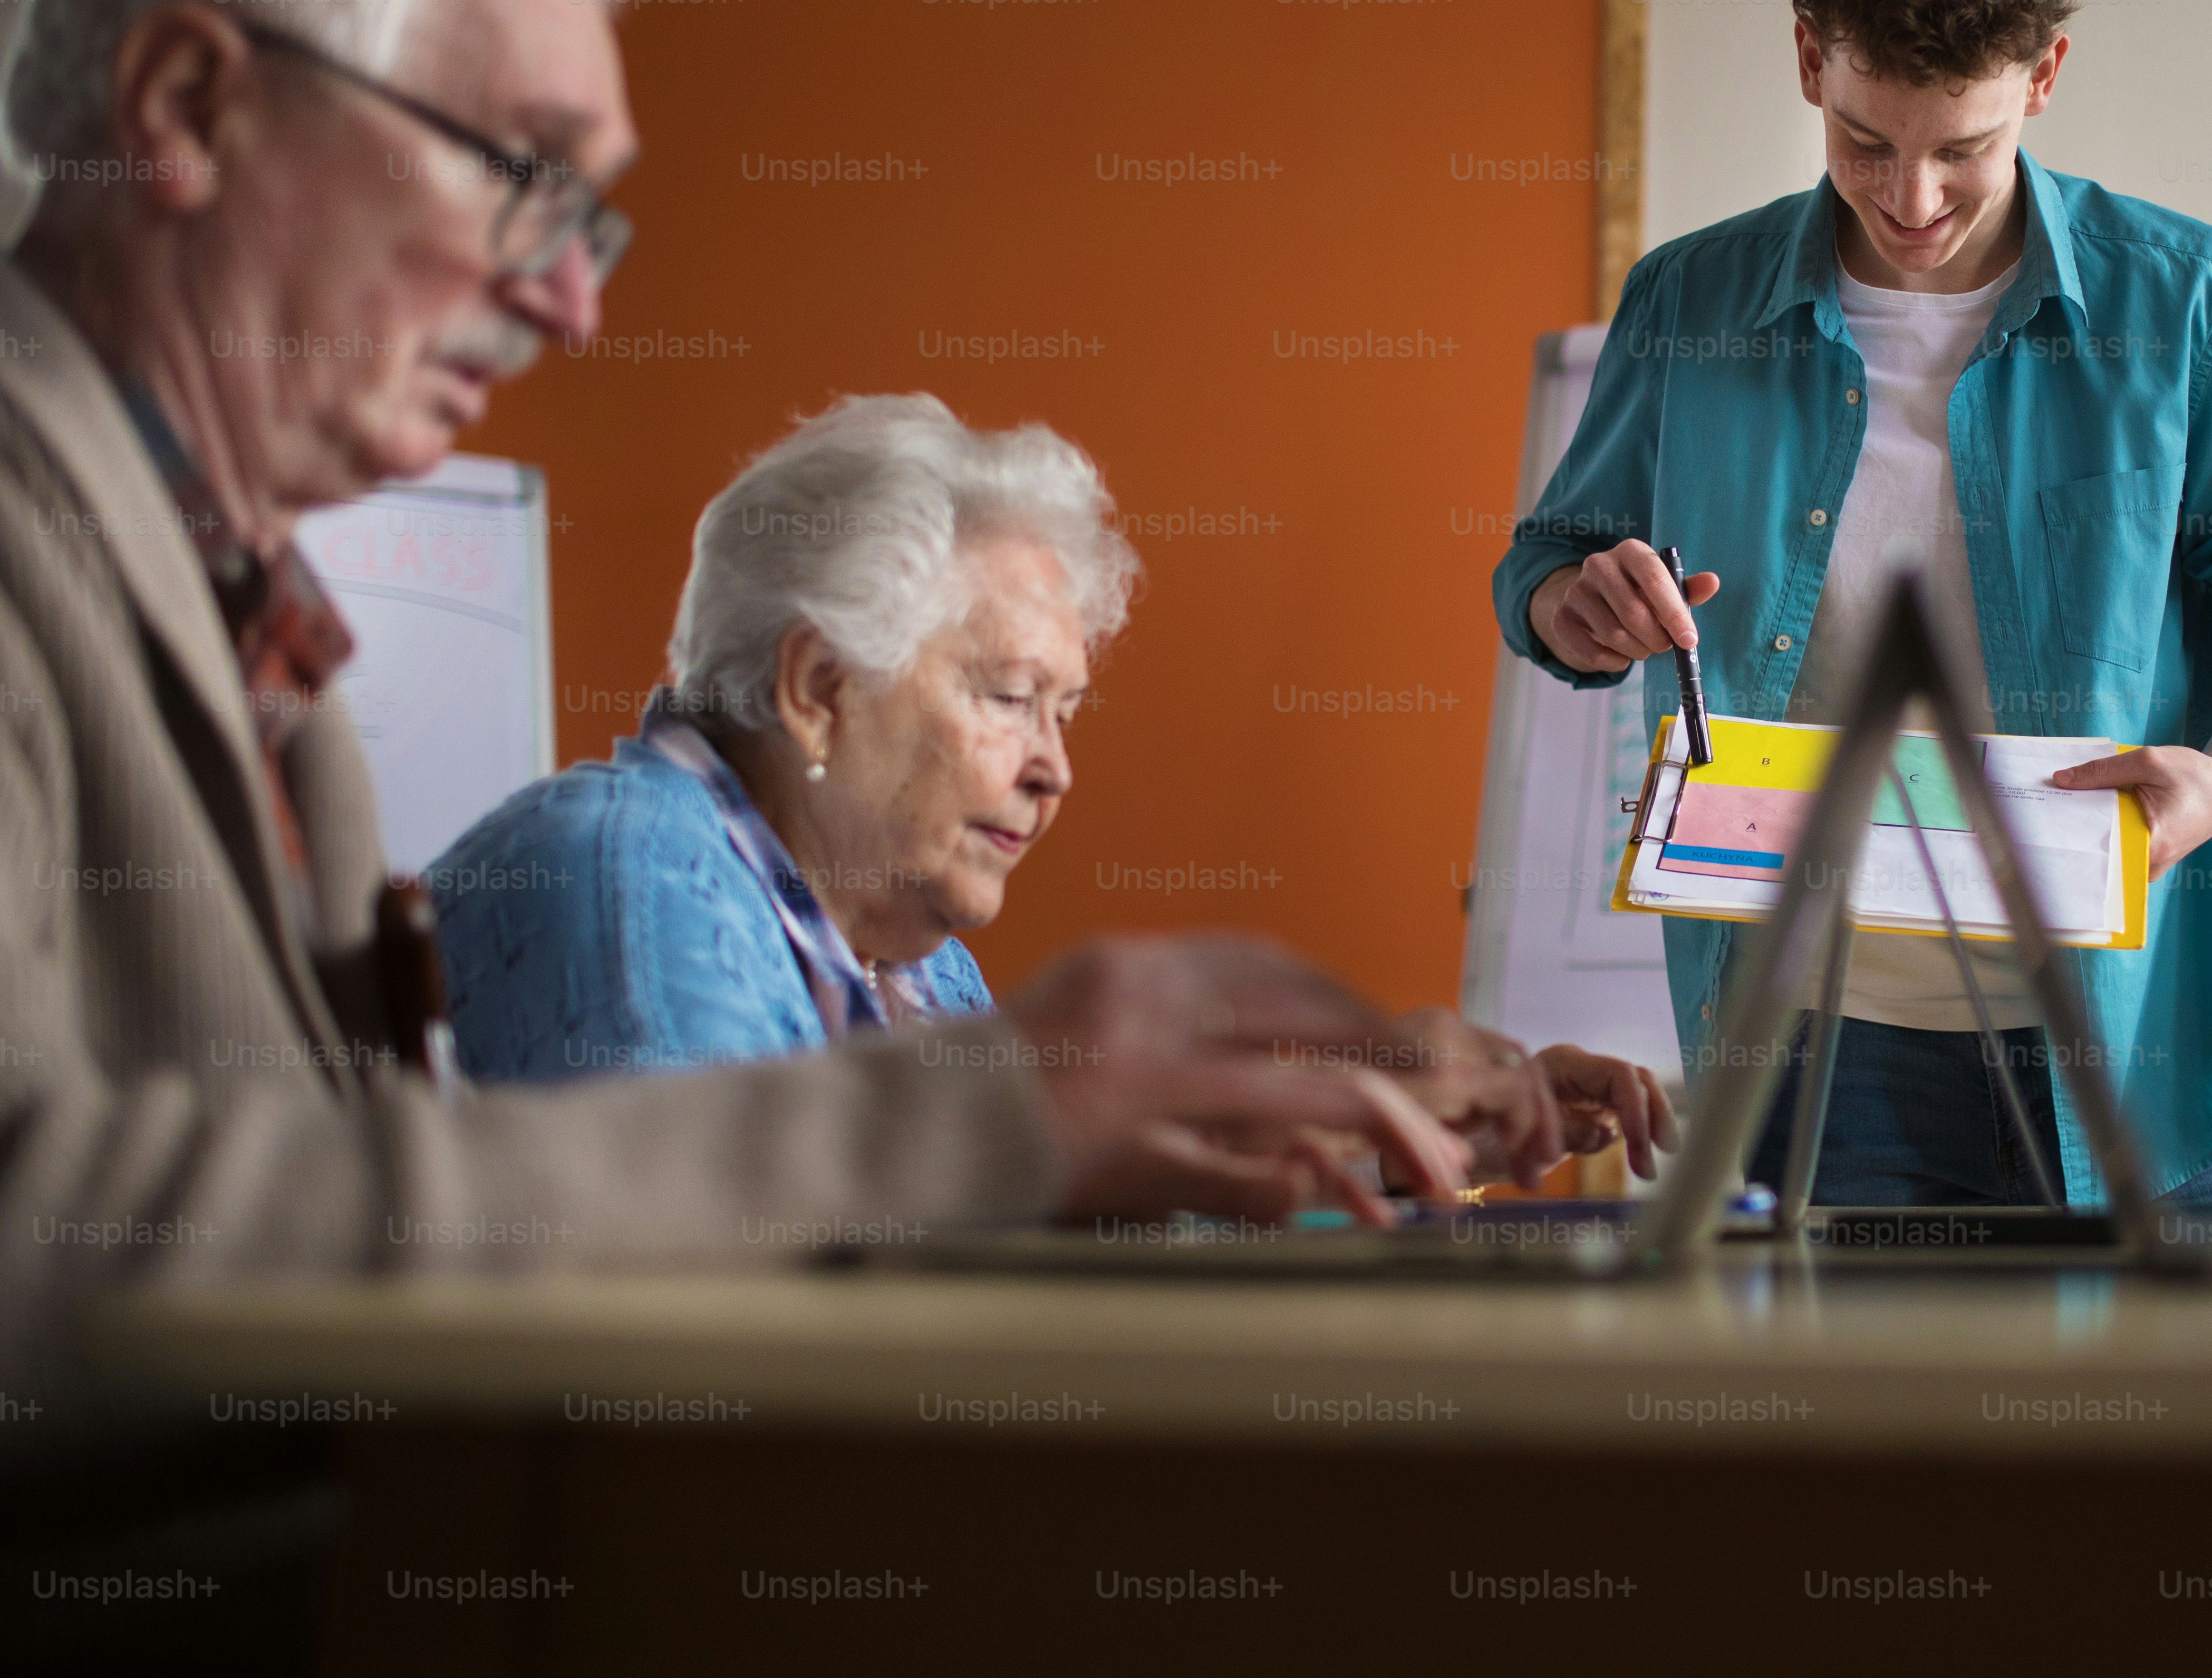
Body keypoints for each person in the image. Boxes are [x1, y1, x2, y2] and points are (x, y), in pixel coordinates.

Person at [0, 0, 1542, 1678]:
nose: (573, 306)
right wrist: (1002, 1116)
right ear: (187, 104)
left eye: (592, 221)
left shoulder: (252, 629)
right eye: (521, 173)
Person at [1493, 0, 2212, 1209]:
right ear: (1807, 61)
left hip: (2139, 1038)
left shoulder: (2195, 302)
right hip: (1817, 1049)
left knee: (2202, 1426)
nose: (1912, 201)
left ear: (2046, 78)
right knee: (1864, 1429)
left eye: (1967, 149)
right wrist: (1569, 607)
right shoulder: (1688, 302)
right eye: (1863, 141)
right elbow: (1544, 563)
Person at [437, 391, 1677, 1174]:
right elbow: (717, 1327)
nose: (1056, 767)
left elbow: (988, 1237)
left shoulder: (911, 957)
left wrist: (1358, 1113)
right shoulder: (626, 865)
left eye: (1065, 709)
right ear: (818, 687)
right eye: (1007, 695)